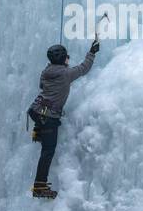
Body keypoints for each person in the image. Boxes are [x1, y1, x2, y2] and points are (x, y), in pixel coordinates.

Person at [28, 38, 100, 199]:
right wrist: (92, 52)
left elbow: (42, 86)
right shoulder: (66, 74)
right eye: (67, 56)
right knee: (48, 151)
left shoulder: (46, 71)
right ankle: (39, 187)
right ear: (63, 59)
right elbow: (84, 68)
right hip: (48, 117)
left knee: (41, 122)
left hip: (35, 111)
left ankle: (37, 132)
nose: (69, 58)